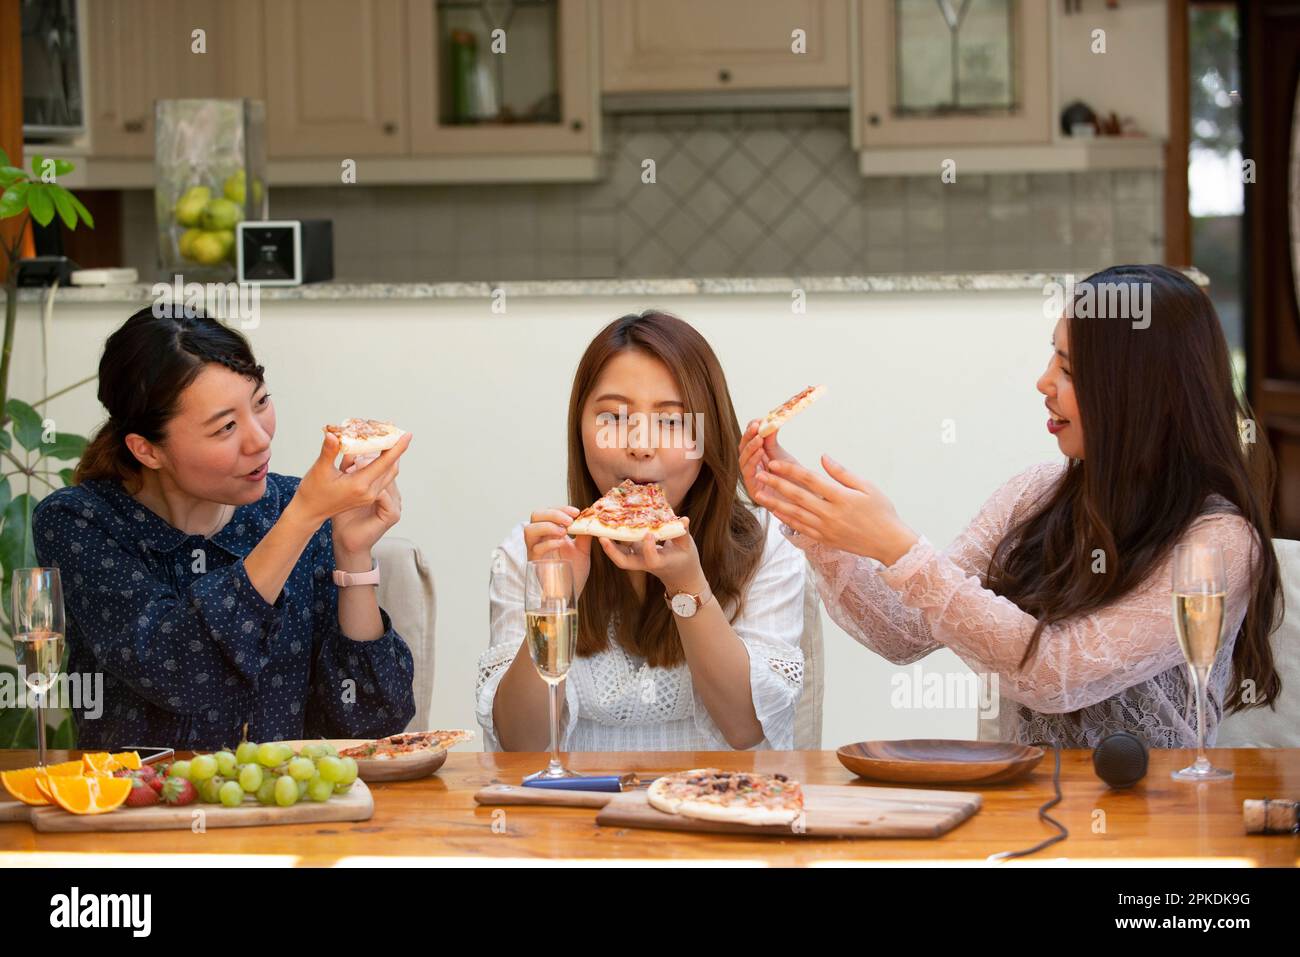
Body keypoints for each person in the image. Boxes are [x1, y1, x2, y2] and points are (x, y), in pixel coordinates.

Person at [743, 265, 1282, 747]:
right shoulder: (1035, 494)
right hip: (1028, 807)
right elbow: (902, 632)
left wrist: (899, 547)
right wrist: (808, 514)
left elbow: (1059, 672)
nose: (1043, 381)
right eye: (1053, 356)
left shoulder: (1220, 542)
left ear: (1138, 391)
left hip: (1157, 817)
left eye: (1069, 370)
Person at [33, 306, 417, 749]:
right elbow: (177, 670)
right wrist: (303, 518)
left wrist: (352, 556)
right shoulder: (80, 522)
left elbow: (371, 725)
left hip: (288, 810)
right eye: (226, 426)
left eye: (261, 403)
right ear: (147, 450)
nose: (260, 439)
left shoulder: (296, 508)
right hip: (140, 809)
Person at [479, 310, 807, 751]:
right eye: (612, 417)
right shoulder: (535, 550)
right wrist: (556, 598)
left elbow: (746, 728)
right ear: (580, 428)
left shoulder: (769, 545)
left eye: (671, 422)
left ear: (707, 437)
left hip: (716, 809)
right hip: (574, 814)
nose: (638, 445)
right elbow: (522, 743)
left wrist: (686, 585)